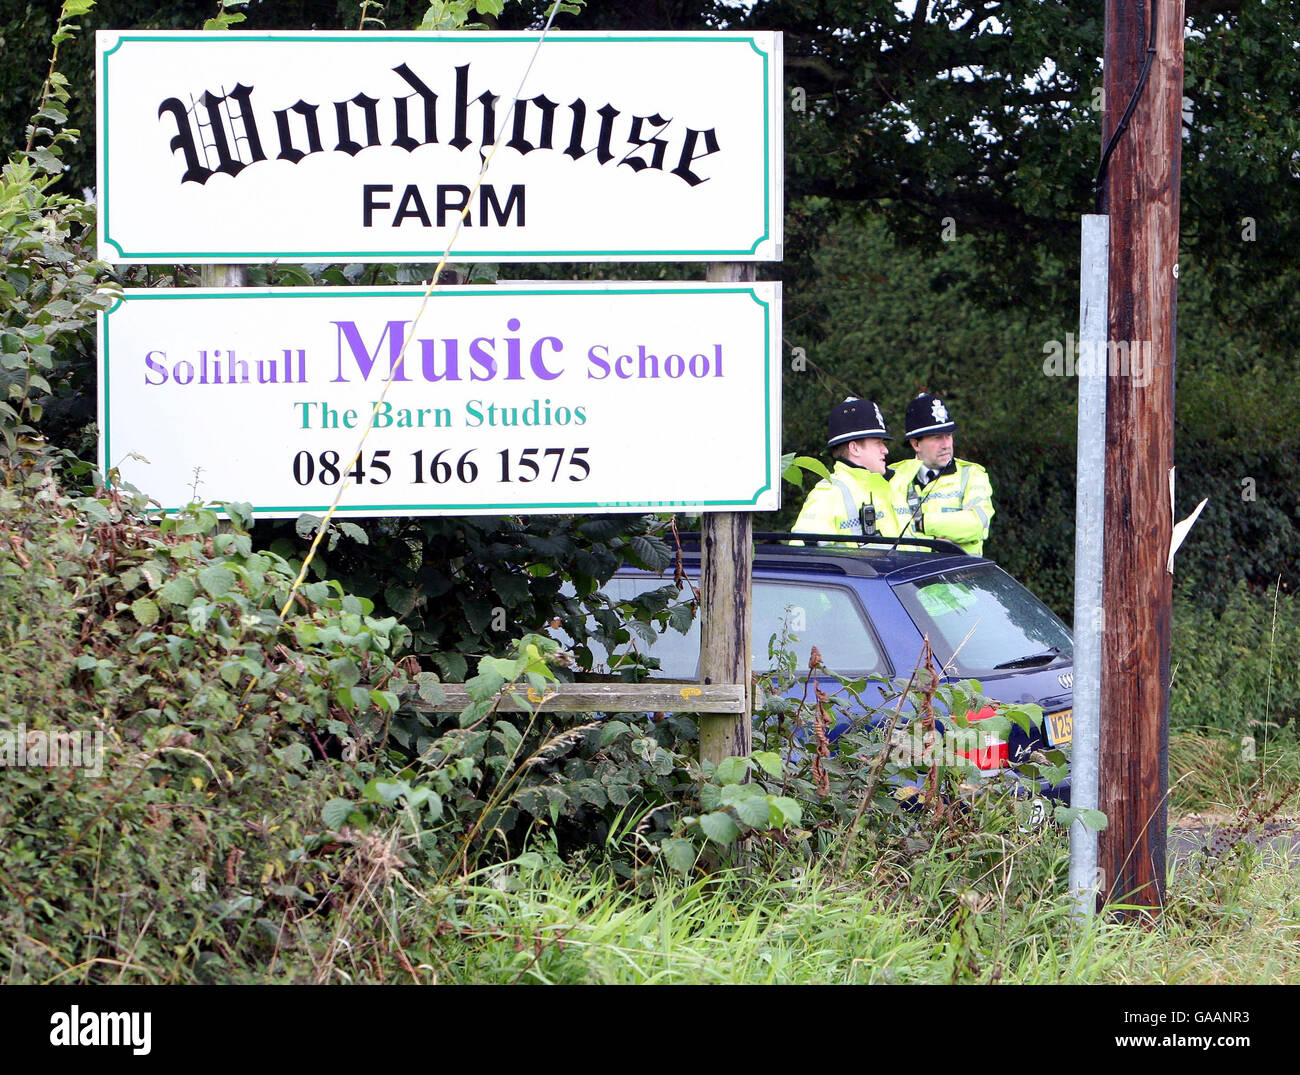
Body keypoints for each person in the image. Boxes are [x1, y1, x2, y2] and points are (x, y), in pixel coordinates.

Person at [889, 392, 994, 555]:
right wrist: (948, 538)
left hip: (959, 579)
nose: (946, 444)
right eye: (937, 438)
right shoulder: (893, 476)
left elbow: (977, 524)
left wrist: (921, 523)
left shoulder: (972, 474)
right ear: (916, 443)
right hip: (911, 579)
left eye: (949, 435)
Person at [792, 397, 902, 543]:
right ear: (854, 448)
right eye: (878, 443)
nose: (886, 450)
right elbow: (804, 559)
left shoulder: (888, 486)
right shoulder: (827, 495)